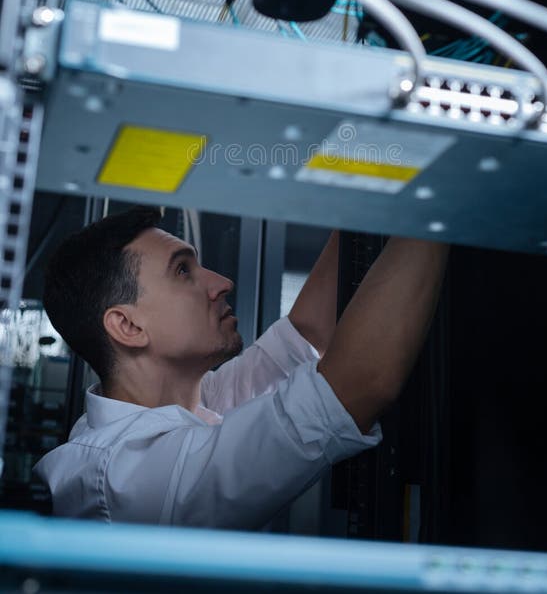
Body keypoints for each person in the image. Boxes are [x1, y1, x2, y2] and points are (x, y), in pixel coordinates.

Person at [35, 206, 448, 528]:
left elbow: (307, 334)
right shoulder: (127, 478)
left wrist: (376, 186)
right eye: (183, 271)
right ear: (128, 326)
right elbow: (360, 384)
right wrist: (444, 202)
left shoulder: (188, 402)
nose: (222, 282)